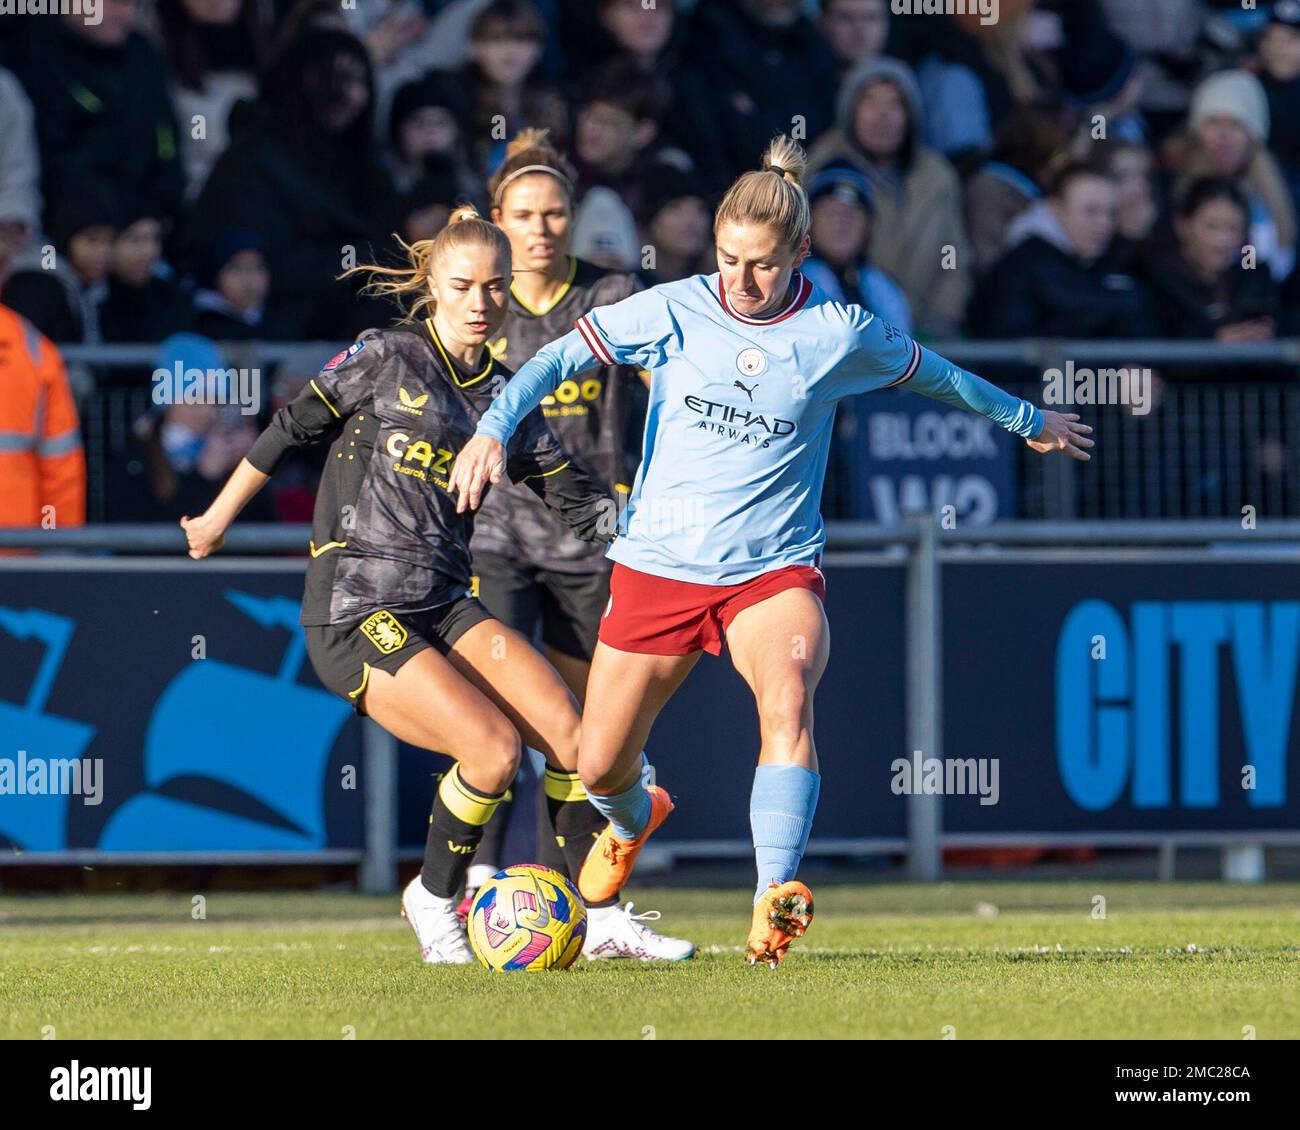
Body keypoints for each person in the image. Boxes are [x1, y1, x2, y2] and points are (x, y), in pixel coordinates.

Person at [449, 137, 1093, 966]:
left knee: (787, 697)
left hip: (770, 572)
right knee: (597, 763)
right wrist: (494, 430)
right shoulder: (676, 308)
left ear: (798, 254)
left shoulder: (838, 332)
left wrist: (1026, 420)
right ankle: (634, 816)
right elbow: (555, 357)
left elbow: (939, 375)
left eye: (759, 264)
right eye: (726, 259)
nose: (739, 281)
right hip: (657, 567)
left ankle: (773, 894)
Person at [179, 209, 678, 966]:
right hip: (357, 607)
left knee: (577, 743)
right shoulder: (387, 355)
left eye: (496, 288)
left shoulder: (504, 394)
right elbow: (290, 428)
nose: (482, 302)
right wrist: (216, 519)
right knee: (491, 751)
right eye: (464, 286)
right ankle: (434, 898)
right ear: (433, 289)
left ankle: (602, 919)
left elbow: (567, 492)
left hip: (444, 601)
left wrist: (655, 541)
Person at [463, 130, 691, 960]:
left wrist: (652, 485)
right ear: (496, 219)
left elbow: (672, 390)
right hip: (489, 537)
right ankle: (478, 890)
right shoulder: (473, 304)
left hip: (592, 542)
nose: (541, 228)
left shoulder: (614, 296)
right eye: (523, 214)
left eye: (555, 212)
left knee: (589, 737)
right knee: (488, 722)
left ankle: (599, 912)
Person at [971, 162, 1154, 339]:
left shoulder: (1117, 262)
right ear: (1055, 208)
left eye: (1111, 213)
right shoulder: (1017, 269)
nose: (1103, 224)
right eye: (1091, 211)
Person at [1141, 178, 1278, 341]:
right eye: (1211, 226)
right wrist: (1214, 343)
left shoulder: (1255, 278)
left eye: (1233, 228)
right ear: (1182, 225)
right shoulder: (1153, 282)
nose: (1223, 241)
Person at [0, 303, 85, 530]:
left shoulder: (30, 346)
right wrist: (60, 547)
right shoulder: (30, 346)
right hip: (16, 542)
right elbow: (60, 466)